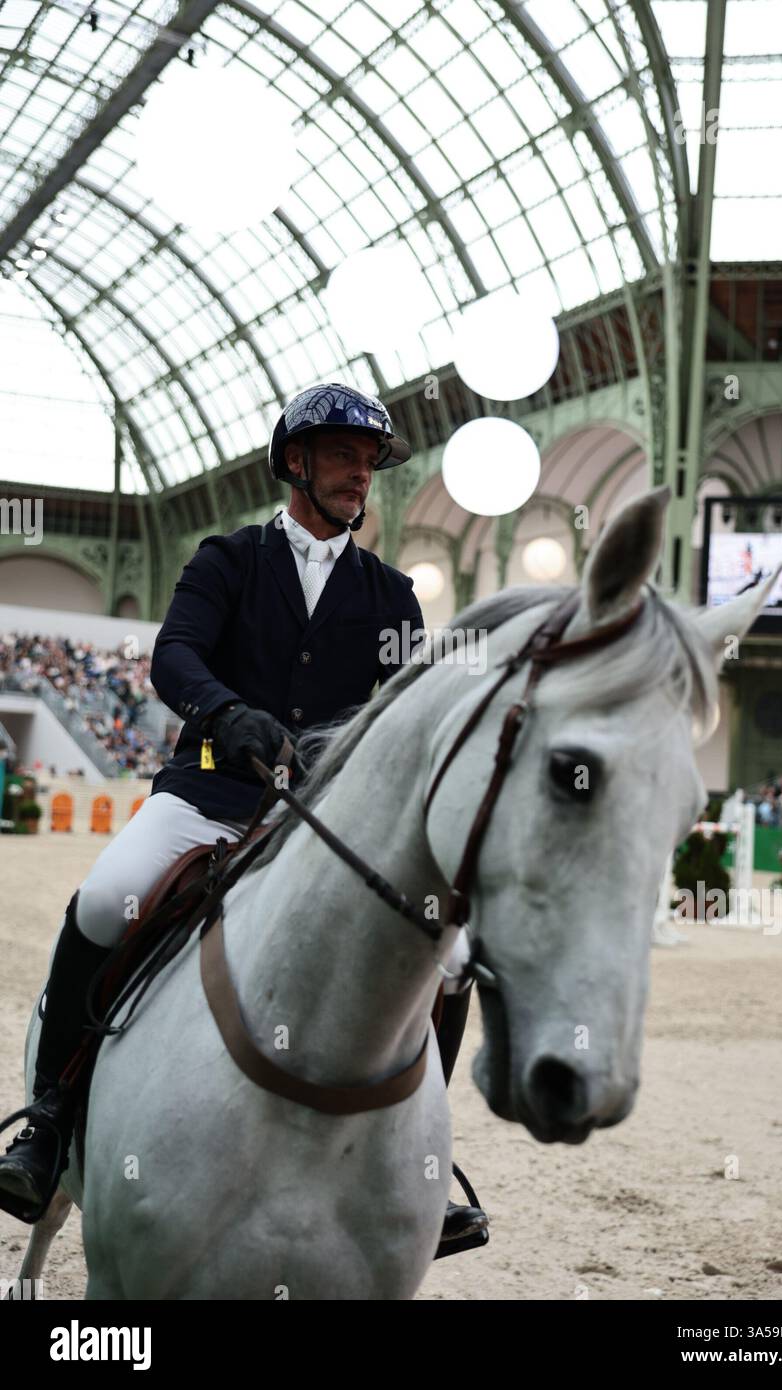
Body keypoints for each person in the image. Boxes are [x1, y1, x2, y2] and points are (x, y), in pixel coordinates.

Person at [0, 382, 488, 1253]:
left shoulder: (391, 595)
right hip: (210, 797)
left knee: (449, 957)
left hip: (324, 825)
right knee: (106, 901)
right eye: (343, 454)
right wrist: (225, 713)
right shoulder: (225, 560)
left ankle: (419, 1167)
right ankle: (47, 1119)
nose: (360, 475)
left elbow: (413, 711)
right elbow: (174, 655)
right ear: (295, 461)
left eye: (369, 461)